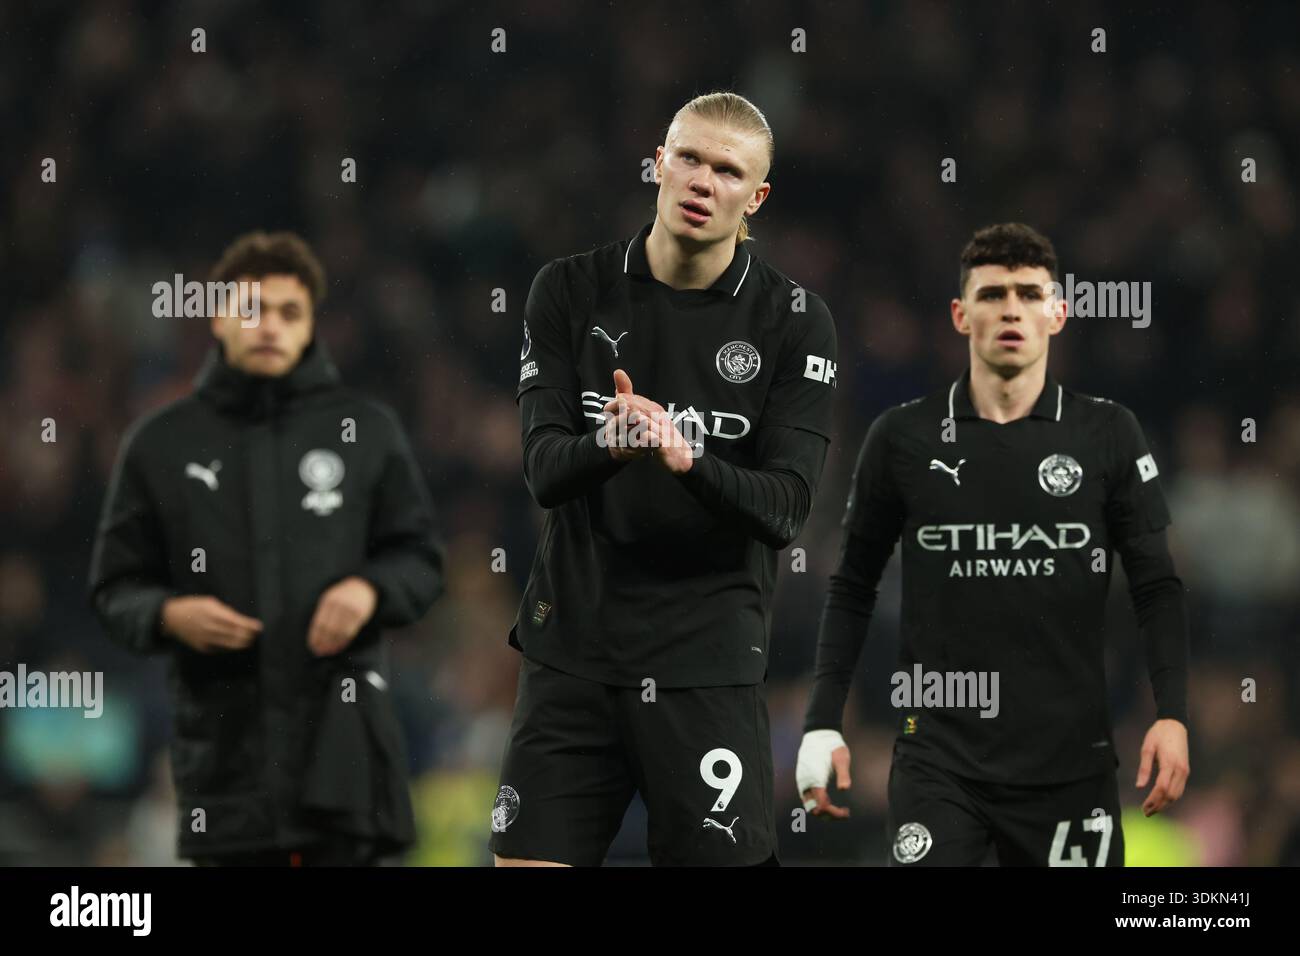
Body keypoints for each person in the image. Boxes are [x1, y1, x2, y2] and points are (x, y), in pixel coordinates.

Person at [491, 91, 838, 866]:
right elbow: (544, 469)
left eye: (727, 170)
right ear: (658, 163)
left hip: (704, 666)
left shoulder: (793, 320)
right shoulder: (569, 290)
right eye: (688, 158)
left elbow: (787, 508)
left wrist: (689, 460)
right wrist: (609, 444)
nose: (702, 181)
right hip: (574, 652)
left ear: (757, 196)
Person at [796, 223, 1190, 866]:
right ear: (960, 314)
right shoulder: (902, 438)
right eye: (993, 293)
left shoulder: (1108, 433)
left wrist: (1171, 714)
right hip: (938, 760)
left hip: (1069, 764)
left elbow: (1157, 585)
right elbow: (851, 586)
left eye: (1030, 294)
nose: (1011, 309)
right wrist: (821, 720)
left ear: (1058, 314)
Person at [88, 230, 444, 866]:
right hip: (226, 768)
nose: (270, 326)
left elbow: (420, 561)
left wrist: (369, 589)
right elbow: (114, 588)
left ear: (311, 326)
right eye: (252, 309)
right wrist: (169, 615)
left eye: (289, 312)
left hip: (343, 765)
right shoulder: (160, 444)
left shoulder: (363, 431)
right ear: (220, 317)